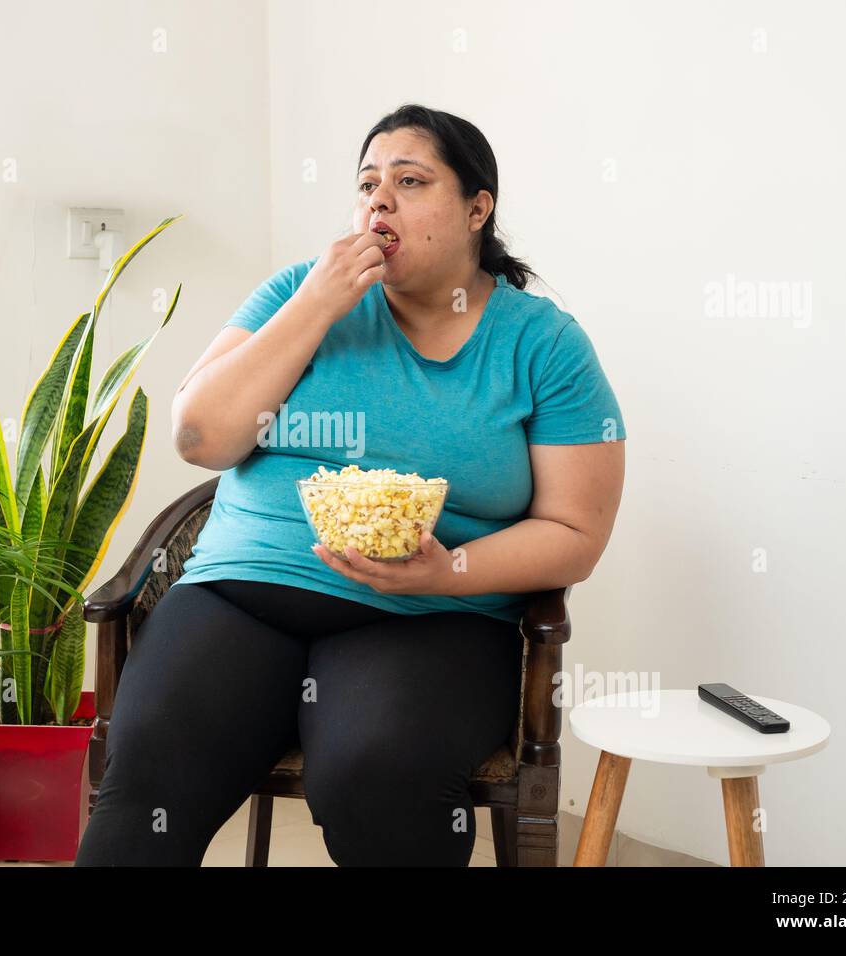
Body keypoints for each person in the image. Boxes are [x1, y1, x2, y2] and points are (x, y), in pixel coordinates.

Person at [74, 103, 626, 867]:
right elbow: (200, 436)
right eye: (368, 183)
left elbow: (575, 534)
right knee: (151, 775)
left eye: (409, 180)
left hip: (432, 616)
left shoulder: (543, 344)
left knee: (378, 775)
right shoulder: (301, 294)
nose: (379, 199)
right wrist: (317, 305)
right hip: (243, 591)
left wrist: (446, 570)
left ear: (477, 208)